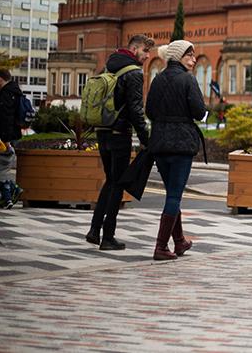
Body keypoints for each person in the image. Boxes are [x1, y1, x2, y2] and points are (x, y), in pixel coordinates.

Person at [86, 35, 154, 250]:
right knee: (118, 183)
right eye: (145, 51)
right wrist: (145, 139)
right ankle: (108, 237)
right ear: (134, 49)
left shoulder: (109, 66)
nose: (147, 56)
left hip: (102, 131)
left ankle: (94, 230)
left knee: (110, 180)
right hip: (119, 133)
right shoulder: (134, 72)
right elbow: (136, 109)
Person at [145, 40, 206, 260]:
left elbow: (149, 111)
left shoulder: (157, 79)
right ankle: (161, 247)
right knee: (174, 196)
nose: (193, 60)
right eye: (190, 55)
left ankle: (179, 242)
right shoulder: (188, 79)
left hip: (160, 143)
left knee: (172, 192)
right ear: (178, 56)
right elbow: (199, 112)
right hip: (181, 144)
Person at [0, 69, 24, 208]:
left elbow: (6, 117)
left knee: (1, 169)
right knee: (3, 168)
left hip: (6, 137)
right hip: (13, 134)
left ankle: (10, 194)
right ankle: (9, 194)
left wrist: (6, 140)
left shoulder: (6, 93)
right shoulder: (15, 91)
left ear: (0, 78)